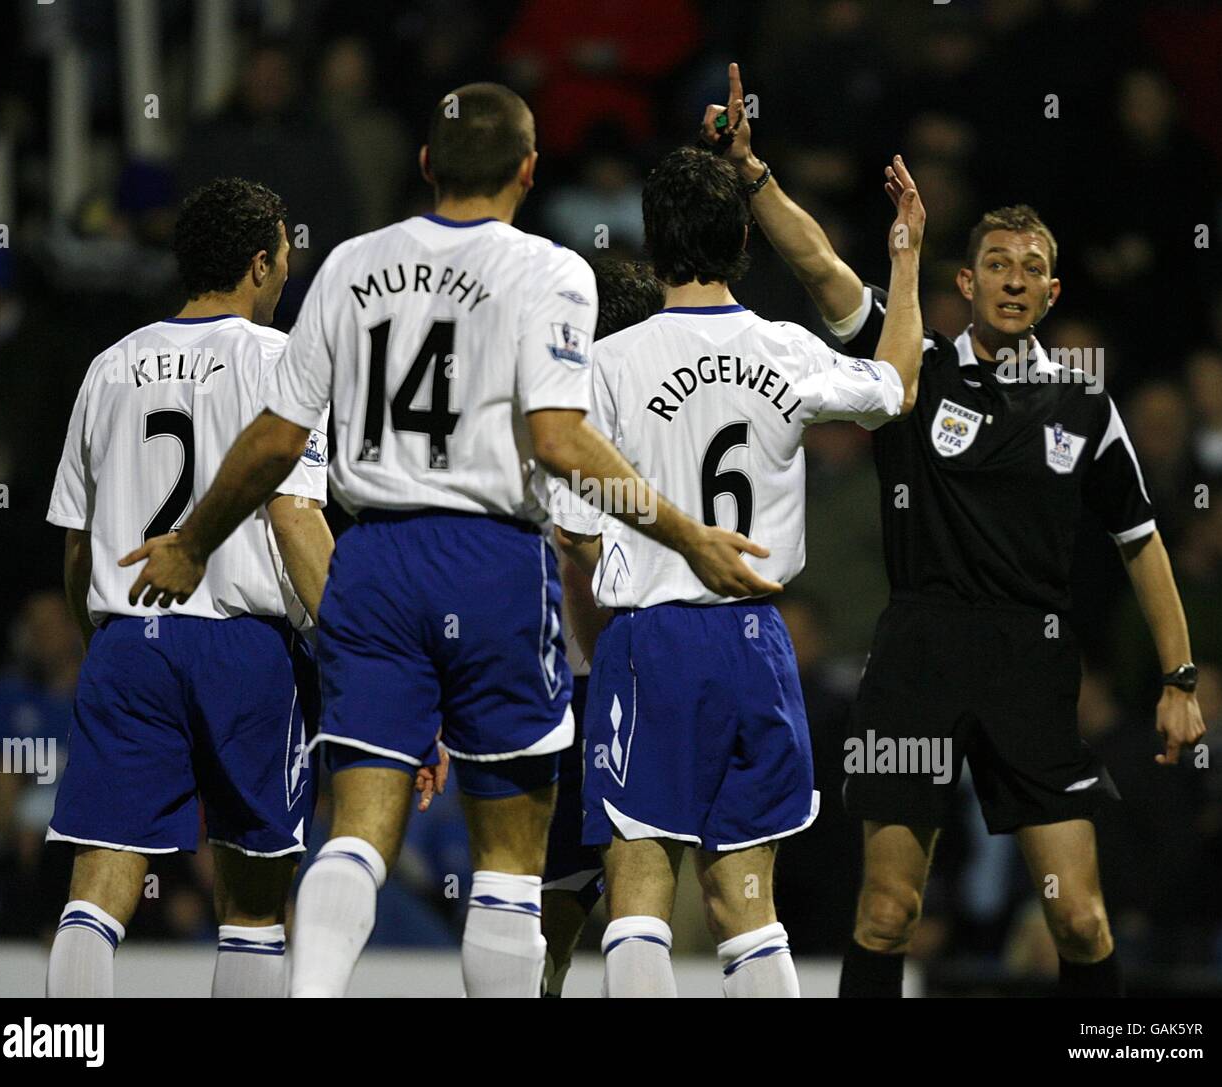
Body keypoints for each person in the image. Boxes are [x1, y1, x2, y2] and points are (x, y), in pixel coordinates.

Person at [120, 83, 778, 998]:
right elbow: (557, 439)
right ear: (529, 169)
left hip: (374, 563)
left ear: (426, 164)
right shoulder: (554, 272)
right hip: (493, 560)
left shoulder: (348, 266)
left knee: (357, 828)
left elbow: (273, 441)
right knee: (511, 854)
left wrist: (191, 541)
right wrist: (684, 531)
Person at [704, 62, 1207, 997]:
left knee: (1079, 914)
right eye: (1000, 266)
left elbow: (1142, 544)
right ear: (967, 281)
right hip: (918, 656)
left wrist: (1178, 676)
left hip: (1032, 662)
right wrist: (753, 174)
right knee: (887, 910)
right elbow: (822, 272)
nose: (1016, 281)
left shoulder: (1084, 401)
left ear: (1052, 294)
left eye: (1034, 270)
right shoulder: (912, 369)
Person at [552, 139, 926, 997]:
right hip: (762, 645)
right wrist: (904, 259)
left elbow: (575, 532)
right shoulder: (786, 350)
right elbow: (898, 386)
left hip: (652, 639)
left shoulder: (609, 363)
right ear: (742, 246)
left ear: (651, 246)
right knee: (746, 902)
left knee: (639, 888)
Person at [44, 178, 334, 998]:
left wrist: (102, 638)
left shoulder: (110, 365)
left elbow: (77, 545)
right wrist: (364, 659)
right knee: (252, 904)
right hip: (247, 650)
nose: (288, 271)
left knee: (96, 890)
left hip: (128, 641)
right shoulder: (283, 362)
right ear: (257, 263)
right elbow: (297, 522)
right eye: (284, 255)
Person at [540, 259, 665, 997]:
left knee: (550, 894)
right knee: (636, 892)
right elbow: (577, 547)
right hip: (600, 681)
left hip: (536, 680)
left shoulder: (542, 412)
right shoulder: (599, 425)